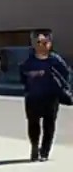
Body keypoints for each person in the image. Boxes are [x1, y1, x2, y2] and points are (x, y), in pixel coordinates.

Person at [19, 31, 71, 161]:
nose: (41, 45)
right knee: (33, 124)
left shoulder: (55, 60)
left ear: (49, 44)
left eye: (44, 42)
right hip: (33, 97)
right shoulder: (28, 61)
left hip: (50, 97)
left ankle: (44, 152)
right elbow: (22, 76)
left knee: (49, 124)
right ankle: (35, 147)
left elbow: (66, 74)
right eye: (38, 43)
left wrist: (56, 83)